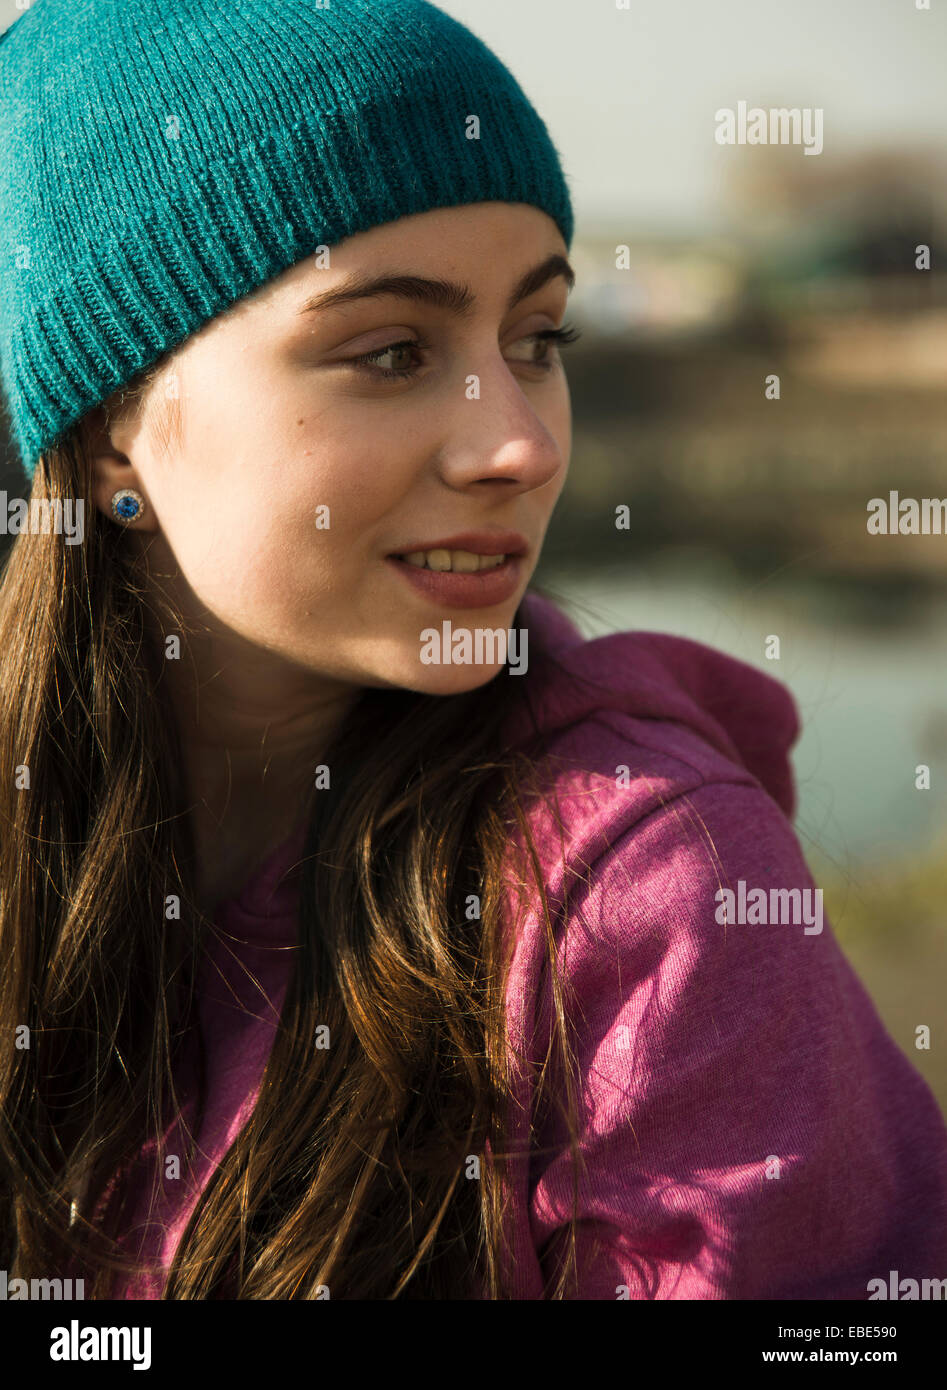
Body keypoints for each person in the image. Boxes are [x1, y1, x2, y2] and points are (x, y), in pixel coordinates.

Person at [0, 0, 944, 1302]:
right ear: (110, 433)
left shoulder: (642, 908)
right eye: (392, 351)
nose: (526, 443)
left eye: (536, 340)